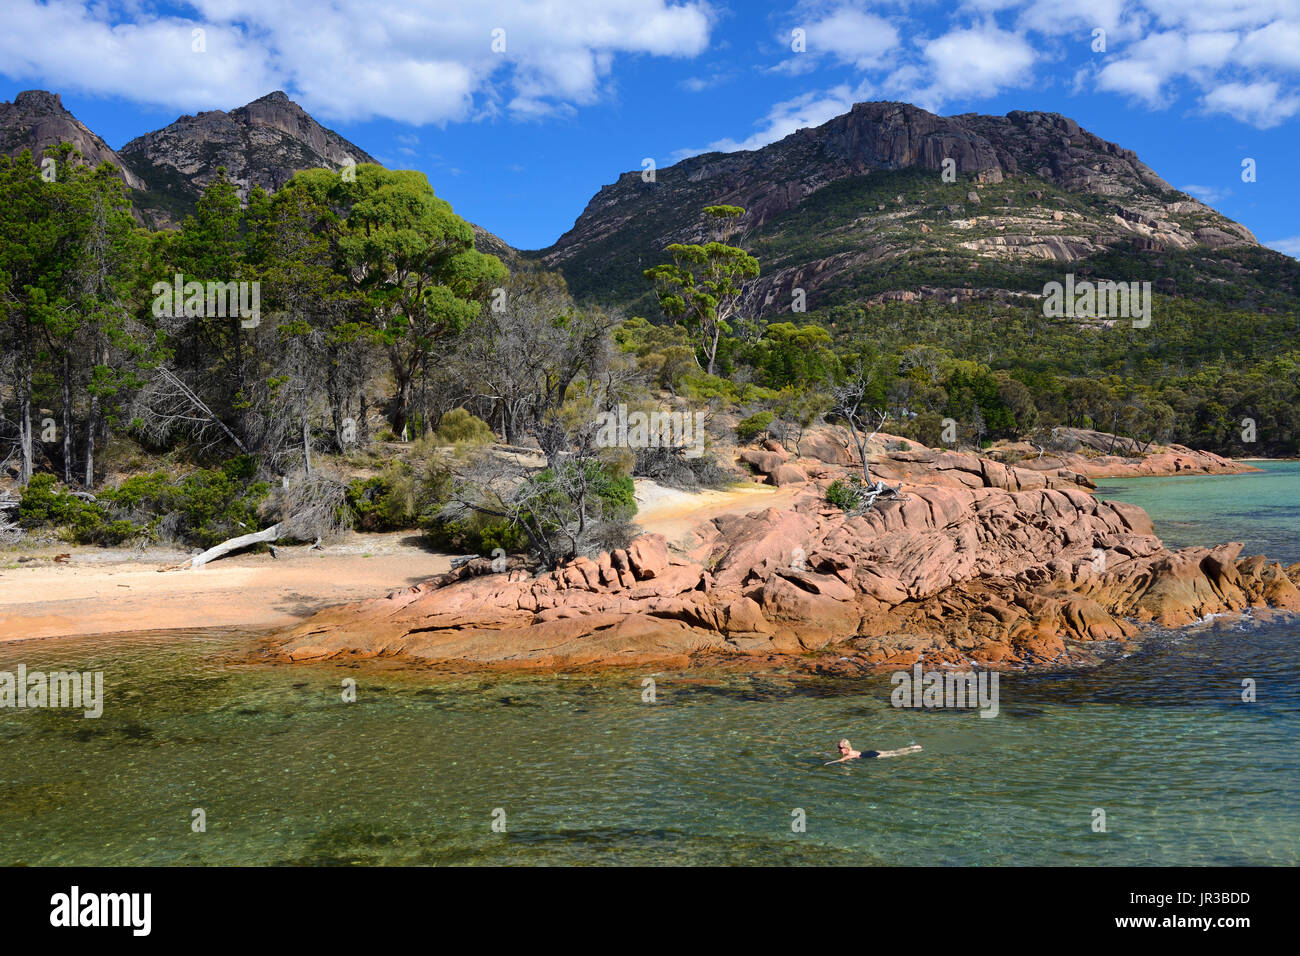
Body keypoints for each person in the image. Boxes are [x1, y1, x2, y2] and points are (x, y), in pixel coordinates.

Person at [825, 738, 922, 764]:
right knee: (893, 751)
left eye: (840, 747)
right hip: (870, 751)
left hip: (872, 755)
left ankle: (912, 750)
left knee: (895, 754)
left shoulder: (849, 754)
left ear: (845, 748)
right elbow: (836, 753)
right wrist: (821, 753)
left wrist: (829, 762)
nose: (838, 749)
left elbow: (841, 760)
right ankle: (912, 747)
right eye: (838, 747)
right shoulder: (848, 751)